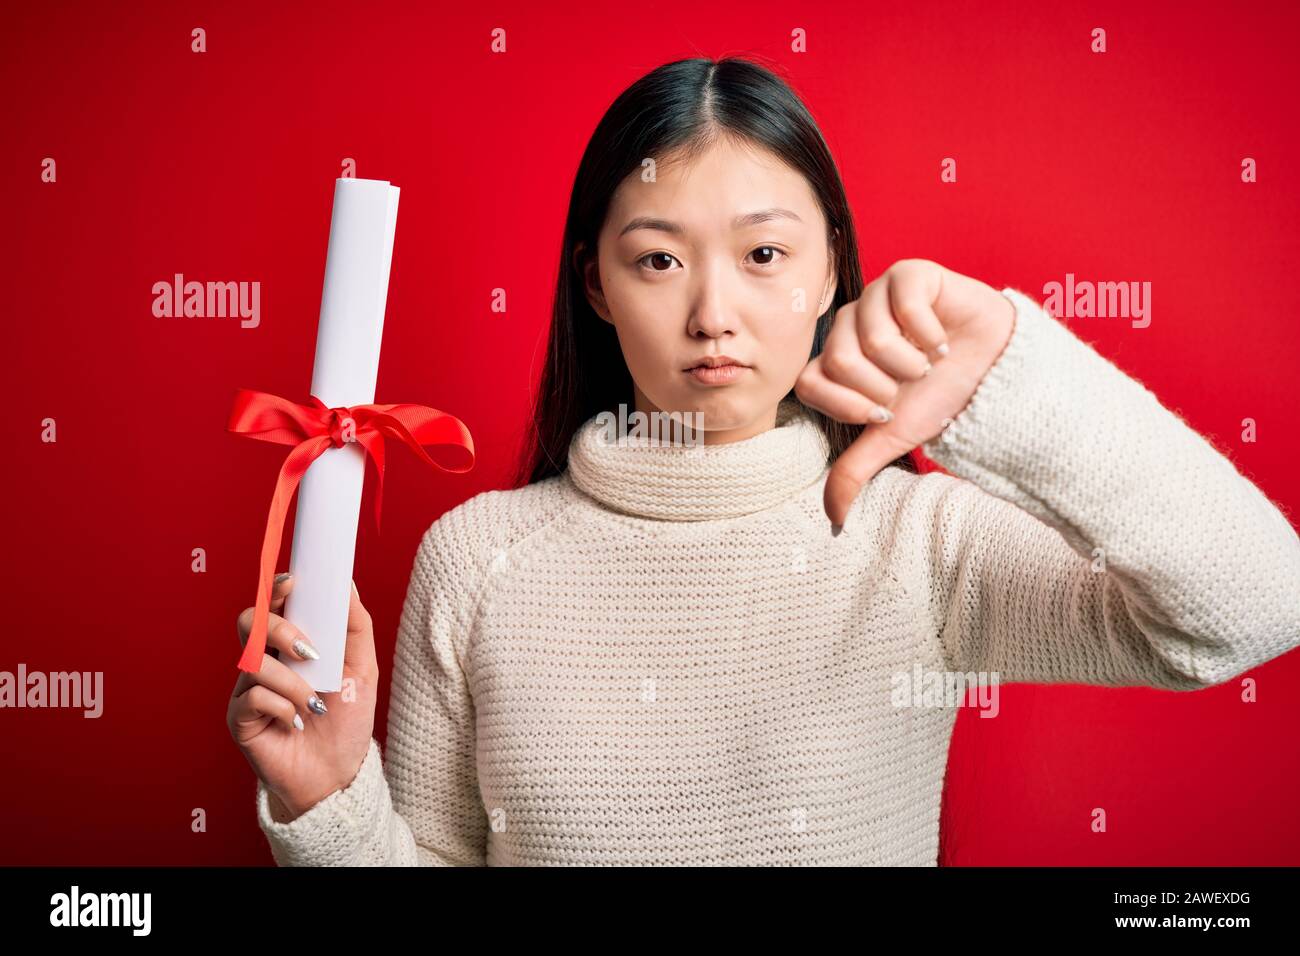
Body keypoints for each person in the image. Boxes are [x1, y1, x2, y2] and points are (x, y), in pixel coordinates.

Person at [226, 56, 1300, 865]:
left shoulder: (913, 541)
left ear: (832, 260)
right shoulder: (477, 560)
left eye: (763, 254)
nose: (711, 313)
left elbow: (1257, 600)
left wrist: (1011, 373)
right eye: (655, 258)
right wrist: (332, 808)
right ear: (596, 286)